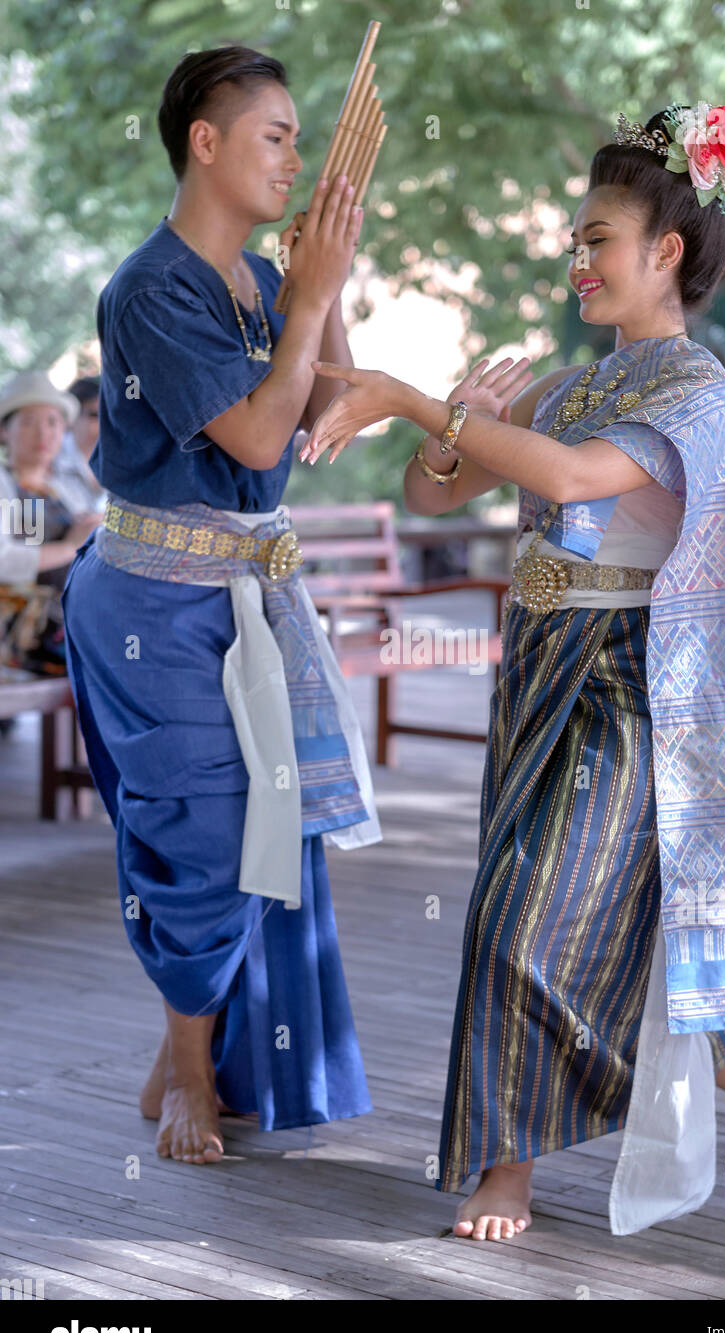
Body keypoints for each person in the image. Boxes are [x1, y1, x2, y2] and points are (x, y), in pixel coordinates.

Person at [299, 103, 725, 1240]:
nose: (575, 258)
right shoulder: (577, 382)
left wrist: (409, 395)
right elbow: (436, 493)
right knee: (603, 925)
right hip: (539, 667)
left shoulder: (695, 388)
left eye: (595, 239)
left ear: (664, 252)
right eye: (575, 241)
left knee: (520, 917)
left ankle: (507, 1168)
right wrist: (454, 428)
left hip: (632, 684)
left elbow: (574, 478)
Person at [61, 45, 381, 1164]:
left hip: (240, 588)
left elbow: (318, 422)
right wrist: (313, 301)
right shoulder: (150, 286)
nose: (295, 157)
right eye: (276, 135)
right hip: (149, 598)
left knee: (266, 827)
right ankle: (192, 1076)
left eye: (300, 137)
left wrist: (317, 296)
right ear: (207, 141)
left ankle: (180, 1063)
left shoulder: (256, 284)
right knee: (195, 836)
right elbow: (249, 435)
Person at [0, 371, 101, 674]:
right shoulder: (5, 484)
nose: (43, 433)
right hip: (22, 627)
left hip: (69, 615)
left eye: (53, 422)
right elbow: (4, 560)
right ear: (5, 431)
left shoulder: (66, 487)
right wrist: (71, 546)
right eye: (28, 422)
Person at [52, 375, 108, 517]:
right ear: (72, 417)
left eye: (108, 414)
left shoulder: (117, 456)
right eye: (95, 415)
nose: (105, 422)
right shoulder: (51, 457)